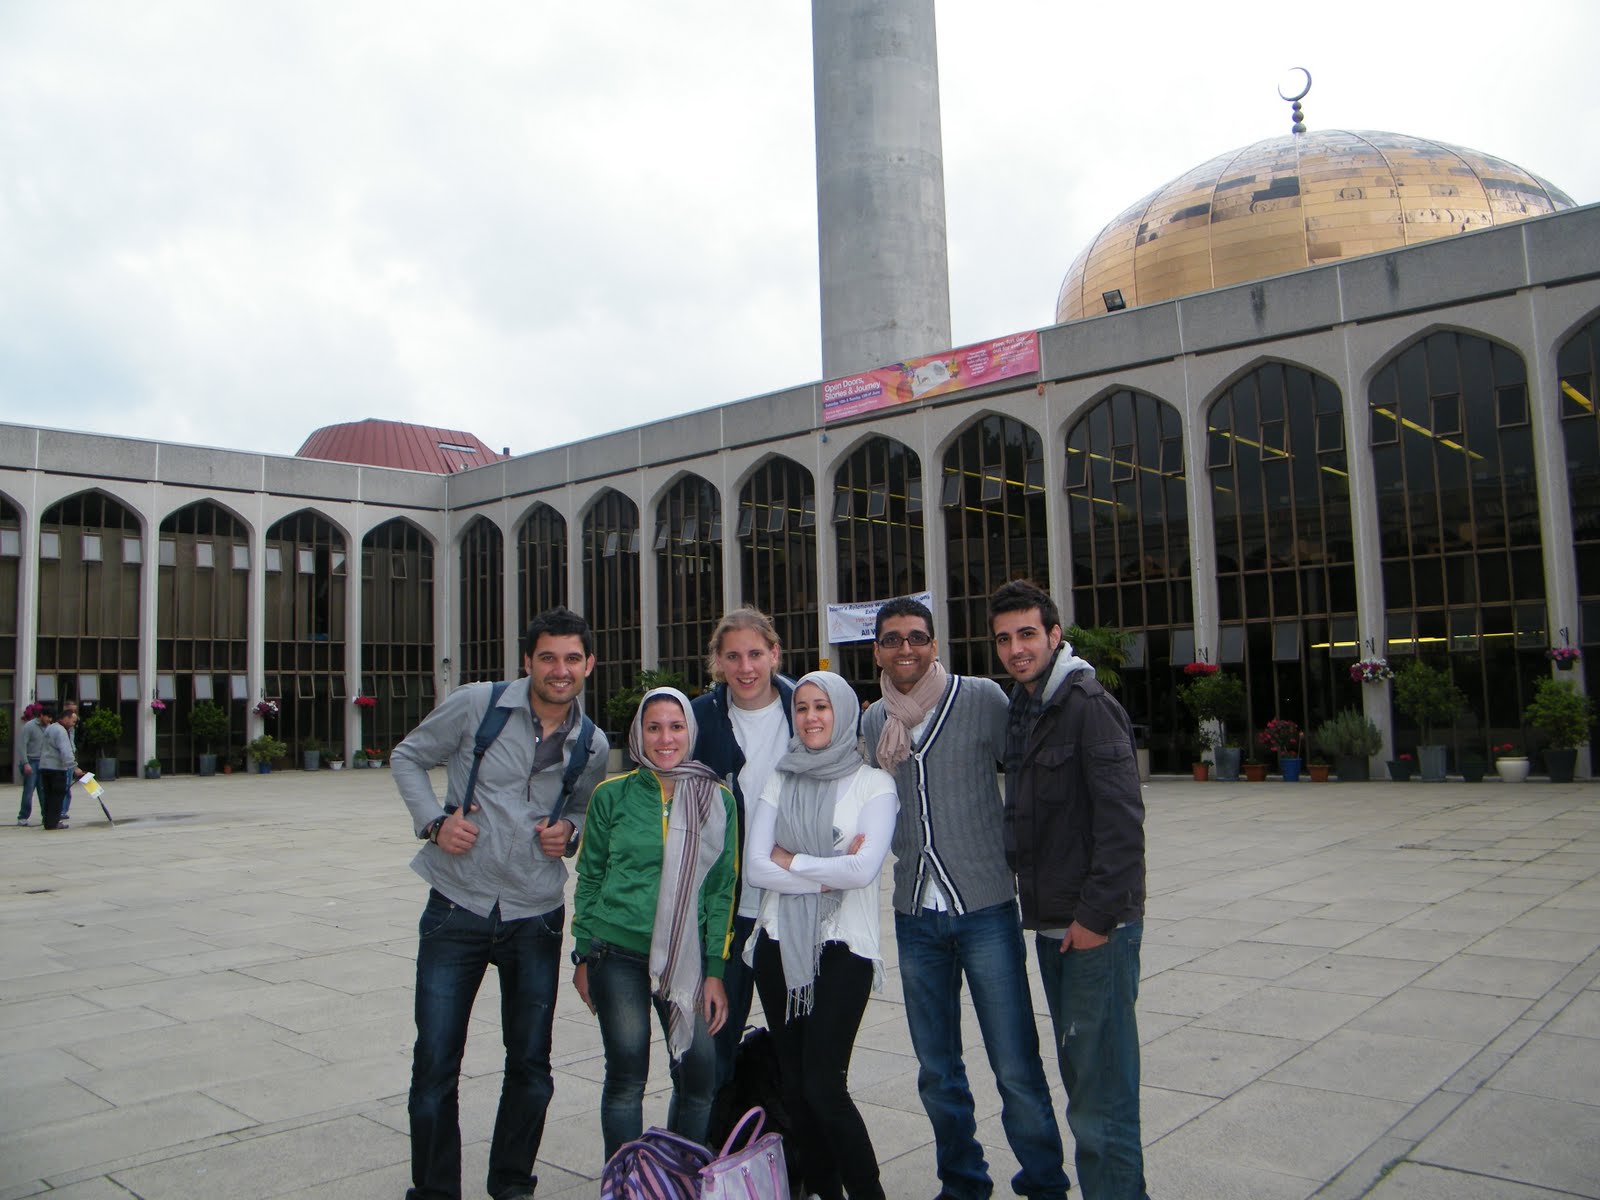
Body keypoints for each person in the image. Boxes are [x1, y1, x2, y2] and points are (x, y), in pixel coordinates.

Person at [391, 607, 609, 1200]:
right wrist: (433, 822)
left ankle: (511, 1184)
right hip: (456, 905)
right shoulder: (477, 704)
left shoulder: (593, 743)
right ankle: (435, 1191)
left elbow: (584, 807)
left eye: (572, 658)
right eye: (548, 657)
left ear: (589, 664)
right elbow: (408, 756)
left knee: (531, 1067)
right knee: (435, 1063)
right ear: (527, 660)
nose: (560, 670)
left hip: (535, 914)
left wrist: (570, 831)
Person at [860, 598, 1069, 1200]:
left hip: (985, 910)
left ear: (934, 645)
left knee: (1015, 1062)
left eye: (916, 637)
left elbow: (1033, 773)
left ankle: (1045, 1182)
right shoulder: (874, 723)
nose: (905, 649)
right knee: (937, 1070)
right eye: (892, 639)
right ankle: (963, 1181)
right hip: (915, 915)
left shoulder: (980, 699)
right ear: (877, 651)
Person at [988, 580, 1148, 1200]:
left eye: (1028, 634)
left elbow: (1122, 825)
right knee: (1086, 1082)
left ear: (1055, 635)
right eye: (1004, 639)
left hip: (1093, 932)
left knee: (1101, 1097)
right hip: (1056, 926)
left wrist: (1095, 921)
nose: (1016, 649)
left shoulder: (1086, 705)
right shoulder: (1027, 706)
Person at [745, 670, 898, 1200]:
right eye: (803, 707)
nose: (810, 717)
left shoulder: (874, 784)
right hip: (778, 945)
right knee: (795, 1086)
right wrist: (829, 869)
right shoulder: (780, 778)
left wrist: (792, 861)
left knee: (824, 1085)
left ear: (844, 713)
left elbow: (863, 870)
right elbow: (756, 868)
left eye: (822, 707)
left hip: (843, 948)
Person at [571, 687, 738, 1160]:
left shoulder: (717, 799)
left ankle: (679, 1174)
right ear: (638, 735)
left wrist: (715, 970)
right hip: (616, 951)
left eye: (676, 726)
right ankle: (627, 1182)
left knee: (698, 1074)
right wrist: (582, 954)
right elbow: (590, 876)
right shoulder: (612, 795)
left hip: (687, 957)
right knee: (627, 1075)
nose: (666, 739)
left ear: (691, 731)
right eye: (654, 728)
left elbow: (721, 888)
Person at [690, 607, 795, 1089]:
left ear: (774, 653)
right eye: (732, 656)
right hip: (722, 914)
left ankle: (790, 1137)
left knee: (800, 1053)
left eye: (755, 653)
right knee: (707, 1056)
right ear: (717, 661)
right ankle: (703, 1139)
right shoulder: (697, 719)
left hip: (789, 907)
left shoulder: (805, 708)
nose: (745, 667)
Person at [38, 705, 83, 831]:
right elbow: (66, 751)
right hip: (57, 768)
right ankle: (53, 822)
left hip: (45, 767)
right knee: (57, 796)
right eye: (73, 721)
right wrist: (75, 767)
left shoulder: (50, 728)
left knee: (48, 796)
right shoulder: (61, 731)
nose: (73, 725)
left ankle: (48, 821)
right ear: (66, 718)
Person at [17, 705, 51, 826]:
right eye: (47, 717)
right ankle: (23, 816)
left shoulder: (49, 728)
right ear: (41, 715)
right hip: (31, 761)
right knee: (29, 790)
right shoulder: (29, 726)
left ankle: (46, 816)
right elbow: (22, 745)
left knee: (43, 791)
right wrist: (25, 763)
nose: (49, 720)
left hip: (43, 763)